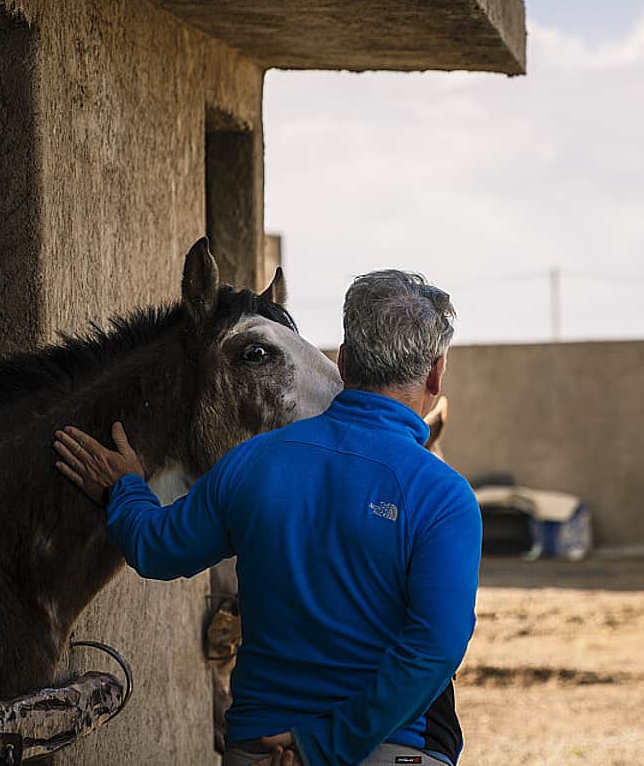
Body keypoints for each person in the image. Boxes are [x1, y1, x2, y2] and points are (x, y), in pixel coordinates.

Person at [53, 270, 482, 766]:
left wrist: (125, 487)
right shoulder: (444, 496)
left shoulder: (253, 462)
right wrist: (322, 745)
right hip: (387, 750)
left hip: (257, 747)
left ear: (343, 361)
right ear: (435, 373)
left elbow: (155, 549)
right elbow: (436, 645)